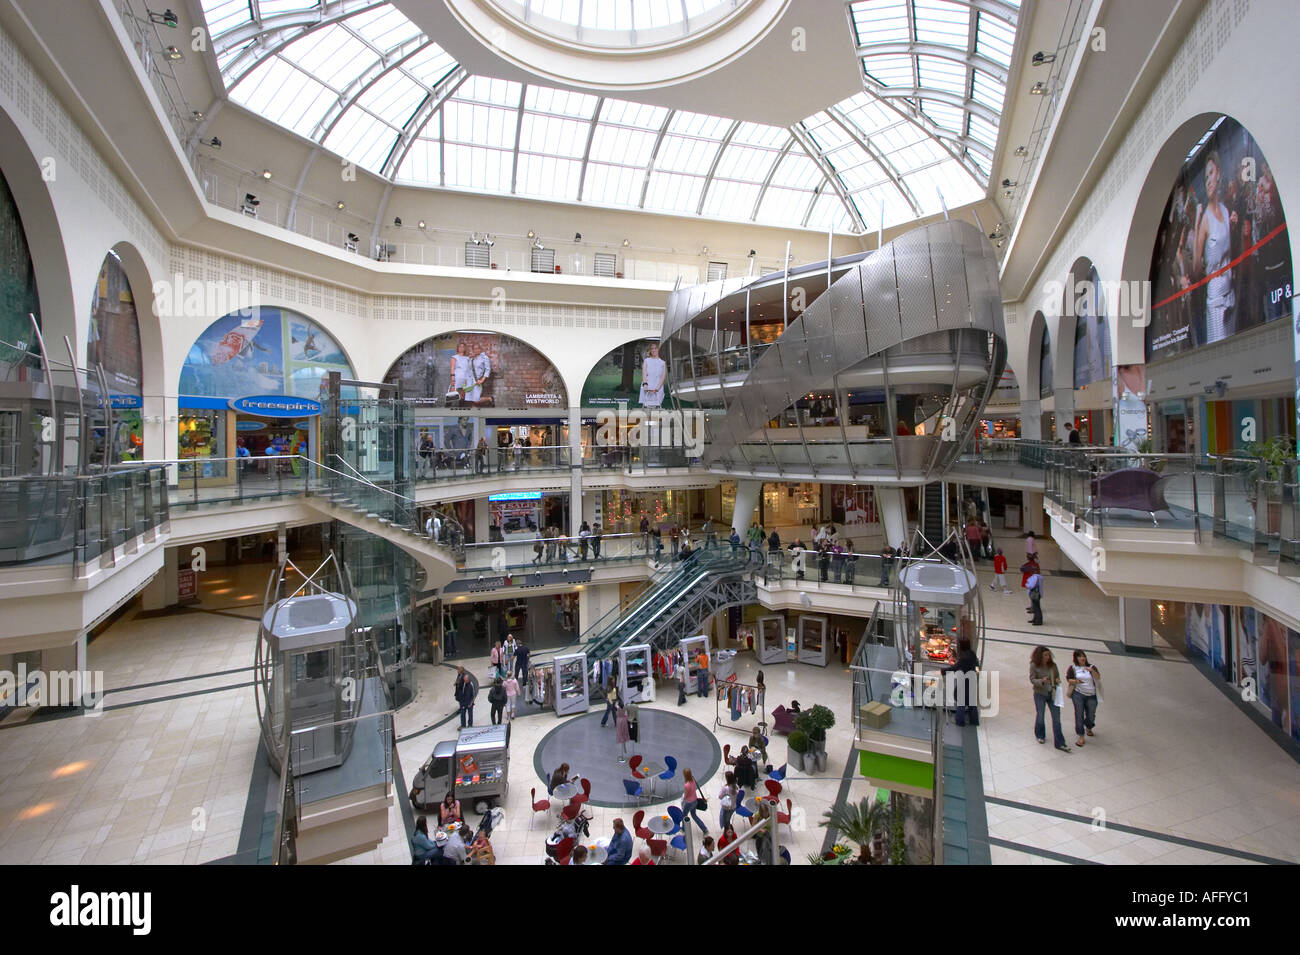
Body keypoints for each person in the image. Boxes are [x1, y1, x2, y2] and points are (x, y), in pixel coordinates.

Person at [1193, 150, 1236, 344]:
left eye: (1211, 174)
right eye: (1205, 177)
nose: (1208, 180)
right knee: (1220, 349)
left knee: (1235, 350)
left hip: (1230, 292)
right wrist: (1195, 223)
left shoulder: (1226, 212)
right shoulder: (1205, 220)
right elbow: (1195, 268)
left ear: (1218, 173)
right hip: (1216, 298)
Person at [1030, 646, 1069, 752]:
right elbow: (1032, 679)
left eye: (1048, 655)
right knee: (1041, 715)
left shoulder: (1053, 666)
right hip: (1040, 693)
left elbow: (1057, 676)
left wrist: (1056, 680)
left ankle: (1060, 742)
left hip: (1052, 693)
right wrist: (1041, 681)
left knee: (1056, 718)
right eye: (1045, 655)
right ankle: (1040, 734)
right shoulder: (1034, 665)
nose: (1047, 657)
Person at [1066, 650, 1101, 747]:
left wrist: (1092, 671)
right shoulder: (1073, 668)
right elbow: (1069, 679)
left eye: (1083, 656)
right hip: (1078, 694)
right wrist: (1076, 681)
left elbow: (1098, 677)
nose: (1082, 658)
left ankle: (1089, 726)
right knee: (1079, 714)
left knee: (1091, 714)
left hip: (1091, 695)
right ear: (1076, 658)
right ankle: (1081, 735)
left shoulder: (1092, 667)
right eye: (1080, 656)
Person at [943, 637, 981, 726]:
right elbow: (976, 666)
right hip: (971, 682)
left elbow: (954, 668)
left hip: (963, 682)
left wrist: (942, 671)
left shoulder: (963, 658)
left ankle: (960, 721)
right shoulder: (972, 654)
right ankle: (974, 721)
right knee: (972, 703)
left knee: (961, 703)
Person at [681, 768, 709, 835]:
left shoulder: (687, 785)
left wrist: (683, 799)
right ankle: (704, 829)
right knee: (694, 815)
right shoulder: (693, 779)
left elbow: (686, 796)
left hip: (688, 803)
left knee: (684, 816)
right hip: (695, 800)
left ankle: (683, 829)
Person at [639, 342, 668, 408]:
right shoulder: (646, 361)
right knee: (646, 407)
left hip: (658, 387)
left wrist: (657, 389)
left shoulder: (663, 362)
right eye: (652, 348)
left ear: (659, 349)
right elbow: (644, 374)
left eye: (655, 348)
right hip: (648, 387)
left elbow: (663, 377)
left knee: (657, 408)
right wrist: (645, 386)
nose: (653, 350)